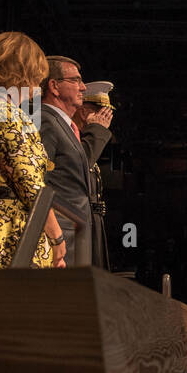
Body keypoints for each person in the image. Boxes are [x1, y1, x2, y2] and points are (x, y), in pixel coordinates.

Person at [0, 32, 67, 269]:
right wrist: (57, 237)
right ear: (24, 69)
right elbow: (31, 186)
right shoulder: (5, 113)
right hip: (14, 233)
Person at [38, 55, 92, 266]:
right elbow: (39, 182)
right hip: (59, 236)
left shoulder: (66, 126)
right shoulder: (45, 120)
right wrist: (54, 236)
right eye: (76, 80)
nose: (84, 87)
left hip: (73, 234)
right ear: (54, 86)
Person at [71, 80, 115, 268]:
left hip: (92, 222)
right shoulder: (75, 139)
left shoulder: (83, 139)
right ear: (84, 112)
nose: (107, 118)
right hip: (78, 223)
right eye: (102, 112)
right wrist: (96, 131)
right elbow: (78, 165)